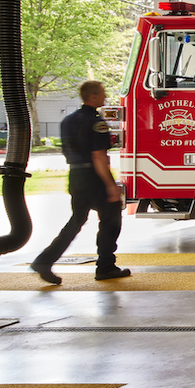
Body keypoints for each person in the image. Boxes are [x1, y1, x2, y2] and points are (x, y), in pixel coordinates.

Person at [31, 79, 131, 284]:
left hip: (75, 176)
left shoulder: (67, 120)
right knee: (111, 220)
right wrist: (110, 185)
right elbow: (98, 156)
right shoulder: (97, 122)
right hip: (94, 178)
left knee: (76, 221)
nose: (105, 97)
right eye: (102, 94)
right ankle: (105, 266)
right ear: (92, 97)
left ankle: (44, 260)